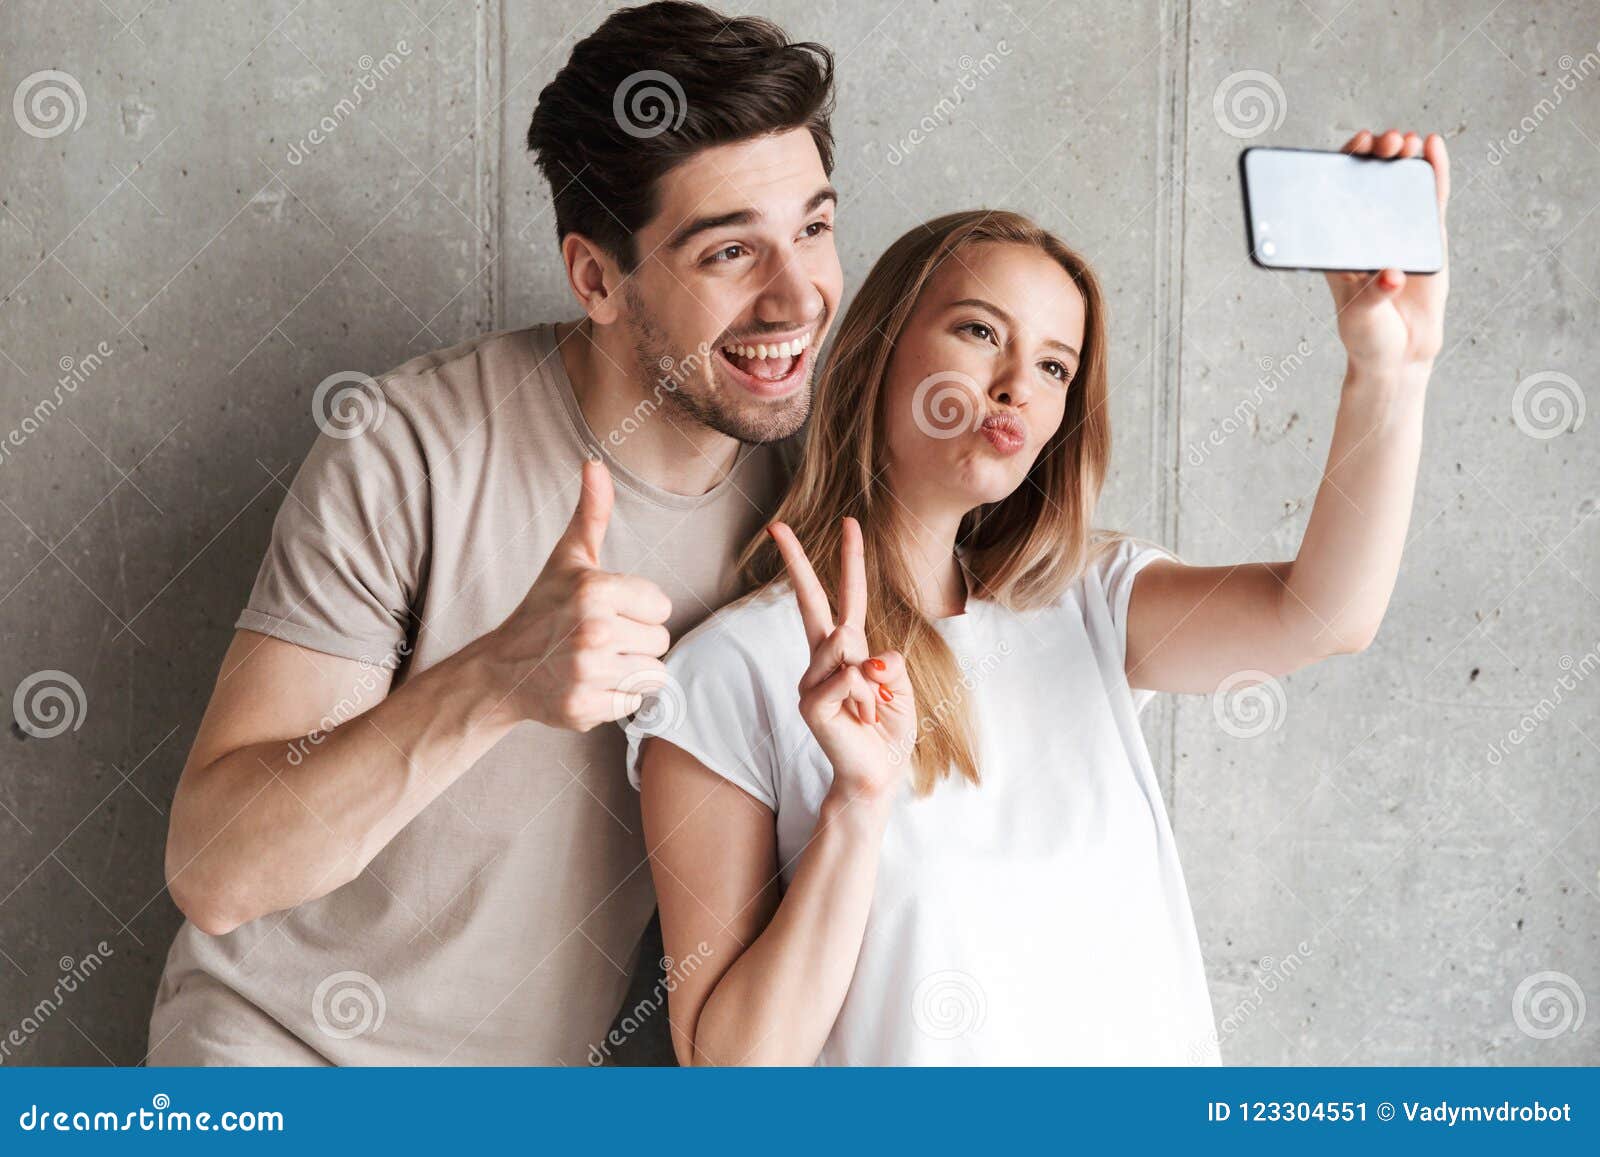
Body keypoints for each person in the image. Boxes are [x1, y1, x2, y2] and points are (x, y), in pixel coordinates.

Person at [628, 130, 1451, 1064]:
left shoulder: (1088, 605)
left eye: (1056, 366)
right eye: (980, 332)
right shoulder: (729, 672)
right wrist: (858, 805)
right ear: (878, 348)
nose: (1018, 383)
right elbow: (736, 1070)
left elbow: (1325, 617)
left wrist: (1392, 368)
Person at [148, 1, 841, 1065]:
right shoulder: (409, 444)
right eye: (730, 252)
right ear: (596, 278)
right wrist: (490, 680)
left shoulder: (811, 502)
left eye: (813, 228)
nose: (797, 295)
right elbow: (218, 867)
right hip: (282, 1062)